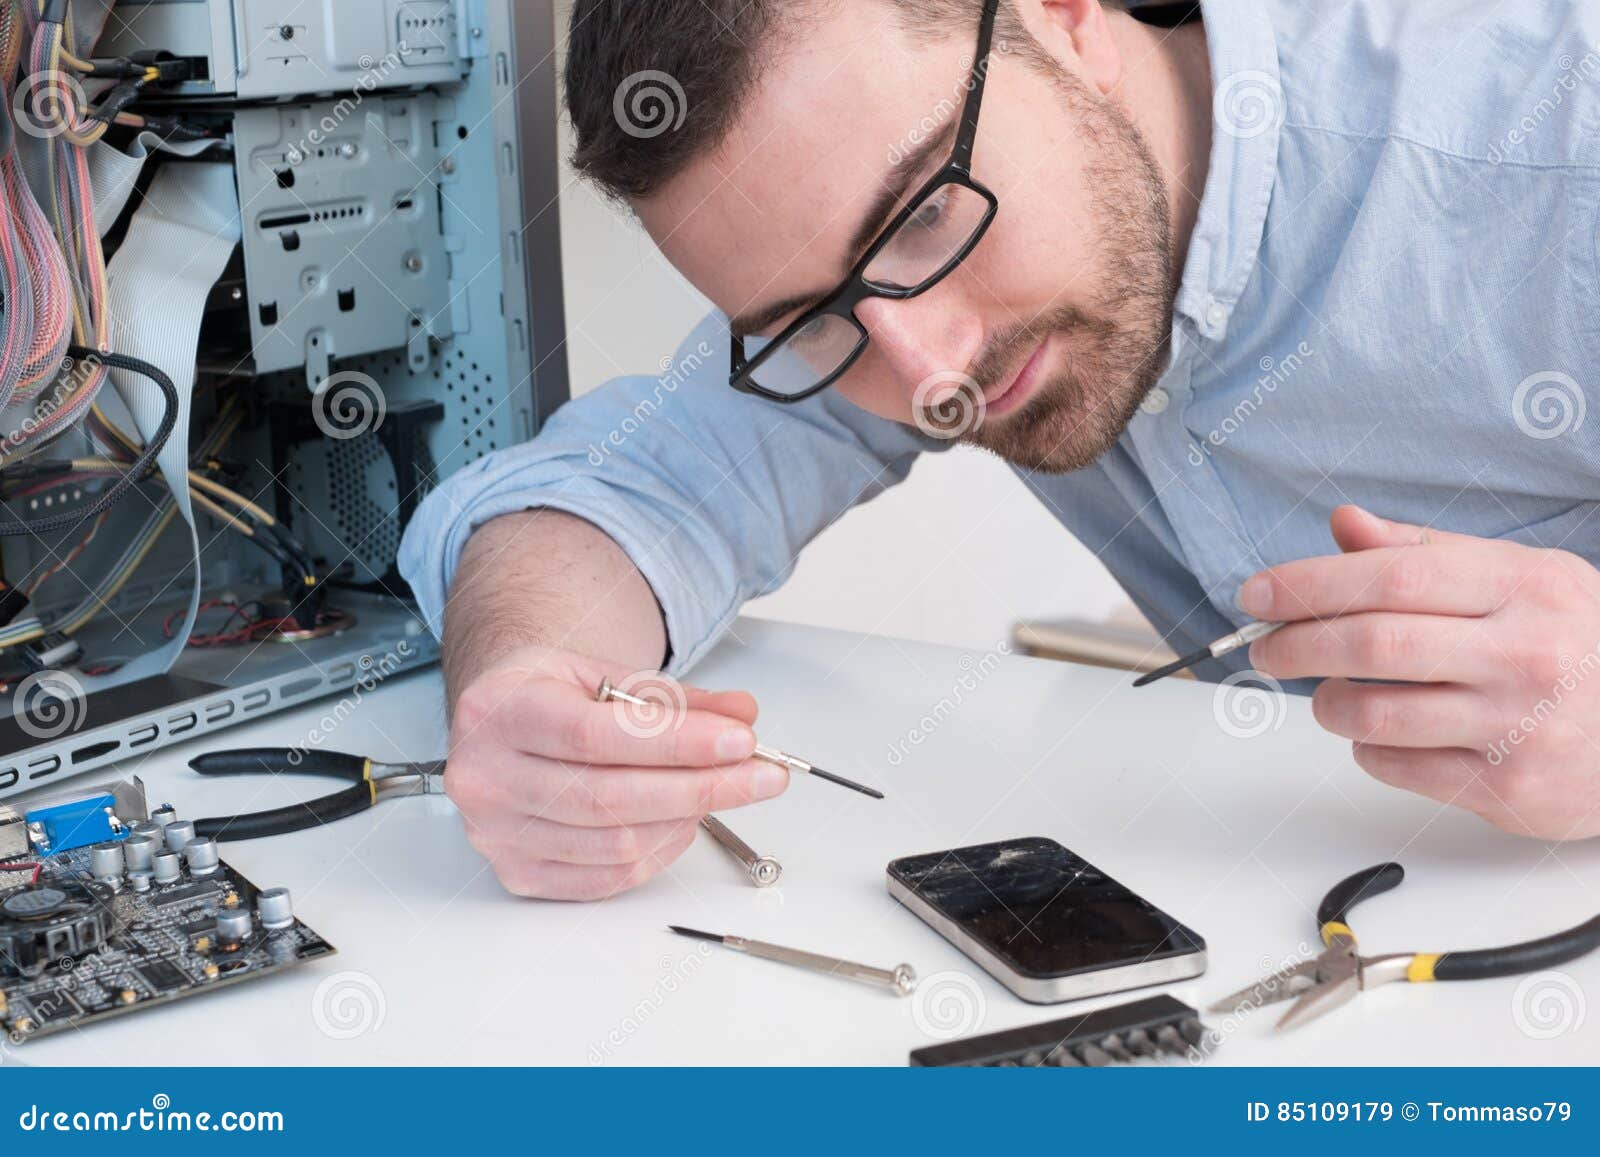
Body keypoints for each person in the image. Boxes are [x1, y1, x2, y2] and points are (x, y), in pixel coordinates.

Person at [399, 0, 1600, 900]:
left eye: (926, 210)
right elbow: (628, 490)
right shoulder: (877, 311)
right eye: (811, 323)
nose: (927, 376)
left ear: (1067, 19)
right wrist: (530, 693)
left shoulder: (1558, 134)